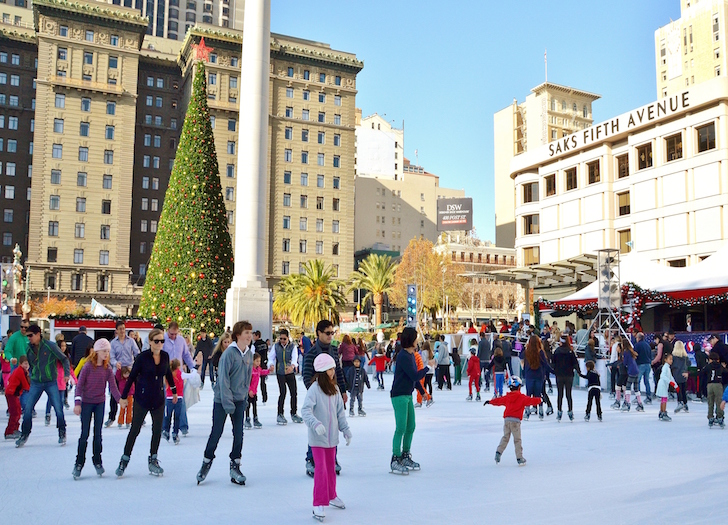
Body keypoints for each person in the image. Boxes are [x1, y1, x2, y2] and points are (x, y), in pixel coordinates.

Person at [196, 321, 254, 485]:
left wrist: (244, 398)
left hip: (239, 400)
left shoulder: (249, 354)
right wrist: (228, 402)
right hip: (222, 400)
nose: (249, 336)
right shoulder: (229, 353)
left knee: (239, 434)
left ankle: (235, 464)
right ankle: (206, 462)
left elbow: (247, 378)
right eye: (246, 333)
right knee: (216, 432)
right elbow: (223, 379)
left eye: (250, 332)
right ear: (238, 335)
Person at [115, 328, 177, 477]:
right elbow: (131, 377)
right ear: (150, 342)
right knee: (135, 429)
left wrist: (174, 391)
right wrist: (123, 397)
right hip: (142, 398)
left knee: (157, 430)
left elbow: (168, 374)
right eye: (156, 341)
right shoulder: (142, 358)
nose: (160, 344)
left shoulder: (165, 356)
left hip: (158, 399)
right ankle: (124, 459)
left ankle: (153, 459)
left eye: (162, 341)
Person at [302, 353, 351, 522]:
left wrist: (345, 430)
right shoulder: (314, 389)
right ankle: (318, 502)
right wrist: (315, 424)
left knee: (330, 468)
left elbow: (340, 413)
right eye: (330, 368)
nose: (333, 371)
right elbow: (306, 411)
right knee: (321, 470)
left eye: (333, 368)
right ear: (323, 370)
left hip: (332, 438)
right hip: (318, 439)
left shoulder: (335, 388)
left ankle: (331, 495)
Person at [302, 320, 348, 478]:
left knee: (332, 425)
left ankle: (332, 458)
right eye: (327, 333)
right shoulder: (311, 353)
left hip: (334, 394)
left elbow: (339, 372)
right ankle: (311, 459)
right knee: (317, 428)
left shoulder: (334, 351)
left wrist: (342, 391)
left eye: (332, 333)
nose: (330, 336)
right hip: (319, 396)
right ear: (318, 333)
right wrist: (316, 393)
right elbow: (307, 376)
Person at [72, 339, 121, 479]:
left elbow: (113, 387)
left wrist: (120, 400)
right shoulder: (87, 366)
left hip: (100, 403)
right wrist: (77, 403)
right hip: (87, 403)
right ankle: (79, 463)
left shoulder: (107, 369)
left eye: (108, 351)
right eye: (104, 351)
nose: (106, 354)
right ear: (97, 351)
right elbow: (79, 386)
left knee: (98, 434)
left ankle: (97, 461)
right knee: (84, 434)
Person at [16, 325, 70, 448]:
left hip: (50, 381)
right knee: (28, 408)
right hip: (36, 382)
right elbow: (31, 364)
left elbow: (64, 359)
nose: (29, 338)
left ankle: (62, 431)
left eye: (31, 335)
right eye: (27, 336)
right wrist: (31, 375)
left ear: (38, 334)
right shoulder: (28, 348)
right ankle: (24, 433)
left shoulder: (50, 346)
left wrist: (66, 374)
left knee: (58, 408)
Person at [389, 327, 433, 475]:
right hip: (399, 395)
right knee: (401, 427)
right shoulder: (403, 356)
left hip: (407, 395)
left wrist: (422, 392)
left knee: (411, 426)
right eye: (415, 338)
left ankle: (405, 454)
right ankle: (395, 458)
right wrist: (428, 367)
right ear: (410, 340)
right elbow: (415, 375)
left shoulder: (411, 355)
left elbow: (412, 378)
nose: (417, 341)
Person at [484, 375, 540, 466]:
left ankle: (498, 452)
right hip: (515, 422)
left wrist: (490, 402)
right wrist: (540, 400)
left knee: (505, 437)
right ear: (518, 387)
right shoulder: (522, 397)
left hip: (506, 420)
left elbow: (498, 401)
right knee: (517, 440)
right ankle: (519, 458)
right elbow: (531, 400)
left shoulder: (507, 397)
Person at [106, 321, 140, 428]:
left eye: (124, 329)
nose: (122, 331)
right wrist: (116, 363)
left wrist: (136, 364)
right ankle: (112, 417)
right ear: (116, 330)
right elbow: (111, 356)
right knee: (115, 394)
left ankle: (137, 416)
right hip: (118, 372)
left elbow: (137, 353)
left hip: (130, 371)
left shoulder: (131, 341)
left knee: (134, 393)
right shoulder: (113, 343)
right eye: (120, 329)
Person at [268, 328, 302, 425]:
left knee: (294, 393)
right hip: (280, 372)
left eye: (284, 339)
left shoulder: (292, 347)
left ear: (288, 338)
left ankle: (294, 413)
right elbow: (271, 357)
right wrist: (271, 364)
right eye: (281, 339)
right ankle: (280, 414)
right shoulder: (276, 346)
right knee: (282, 392)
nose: (282, 341)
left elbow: (295, 358)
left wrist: (292, 366)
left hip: (289, 372)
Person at [522, 335, 554, 420]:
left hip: (529, 375)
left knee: (528, 394)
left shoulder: (526, 352)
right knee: (538, 394)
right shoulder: (540, 352)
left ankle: (527, 411)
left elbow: (524, 364)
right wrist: (553, 371)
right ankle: (540, 411)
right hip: (539, 375)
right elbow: (545, 364)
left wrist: (523, 375)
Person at [552, 335, 580, 421]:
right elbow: (575, 363)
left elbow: (553, 364)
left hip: (559, 375)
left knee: (560, 394)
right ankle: (570, 411)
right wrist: (579, 372)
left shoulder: (557, 351)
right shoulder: (570, 352)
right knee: (569, 394)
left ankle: (559, 411)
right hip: (569, 375)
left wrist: (554, 371)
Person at [4, 354, 29, 440]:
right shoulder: (20, 371)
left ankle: (15, 429)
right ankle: (9, 431)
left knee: (18, 411)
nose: (26, 366)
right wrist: (32, 390)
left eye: (27, 364)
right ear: (20, 364)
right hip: (11, 394)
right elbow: (25, 384)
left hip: (14, 393)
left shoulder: (22, 371)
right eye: (25, 363)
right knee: (14, 412)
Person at [162, 359, 184, 445]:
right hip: (179, 397)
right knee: (177, 416)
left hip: (169, 397)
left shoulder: (167, 374)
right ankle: (175, 433)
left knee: (168, 415)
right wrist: (195, 367)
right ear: (178, 366)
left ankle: (166, 430)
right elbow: (191, 375)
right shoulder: (180, 373)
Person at [620, 338, 645, 412]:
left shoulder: (626, 352)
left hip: (631, 371)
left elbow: (625, 363)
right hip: (636, 370)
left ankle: (627, 403)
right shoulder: (631, 351)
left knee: (628, 387)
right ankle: (640, 404)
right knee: (636, 388)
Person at [246, 353, 269, 429]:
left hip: (254, 391)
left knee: (254, 406)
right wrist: (249, 390)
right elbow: (246, 381)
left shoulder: (258, 369)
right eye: (257, 361)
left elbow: (262, 372)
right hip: (248, 392)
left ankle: (255, 418)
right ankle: (247, 418)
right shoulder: (249, 369)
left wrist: (268, 371)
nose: (259, 363)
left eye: (259, 361)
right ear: (252, 361)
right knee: (247, 406)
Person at [704, 352, 725, 428]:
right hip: (718, 385)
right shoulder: (720, 366)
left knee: (710, 402)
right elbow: (725, 372)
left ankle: (710, 417)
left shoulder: (708, 366)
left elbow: (703, 373)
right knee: (719, 401)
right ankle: (719, 417)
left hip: (710, 385)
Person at [655, 353, 677, 422]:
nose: (671, 361)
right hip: (663, 384)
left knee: (663, 399)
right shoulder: (665, 367)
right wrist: (670, 382)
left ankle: (661, 412)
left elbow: (671, 377)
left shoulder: (667, 367)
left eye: (672, 359)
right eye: (670, 359)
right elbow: (663, 376)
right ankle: (663, 412)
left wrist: (675, 385)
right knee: (664, 399)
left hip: (664, 384)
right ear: (665, 360)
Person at [671, 341, 690, 413]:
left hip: (676, 374)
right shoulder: (685, 357)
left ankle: (680, 402)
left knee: (678, 389)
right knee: (683, 390)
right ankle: (685, 404)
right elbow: (689, 364)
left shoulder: (674, 357)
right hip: (684, 374)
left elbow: (672, 365)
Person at [634, 332, 653, 404]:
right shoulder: (647, 345)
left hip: (640, 364)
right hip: (648, 364)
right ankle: (649, 397)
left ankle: (637, 397)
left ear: (638, 338)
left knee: (637, 381)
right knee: (646, 381)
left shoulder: (637, 345)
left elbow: (635, 355)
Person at [252, 330, 269, 403]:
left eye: (254, 336)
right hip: (264, 364)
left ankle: (253, 394)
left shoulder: (254, 345)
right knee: (263, 382)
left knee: (253, 381)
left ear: (257, 336)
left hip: (256, 365)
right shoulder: (265, 344)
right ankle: (264, 397)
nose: (253, 337)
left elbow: (252, 354)